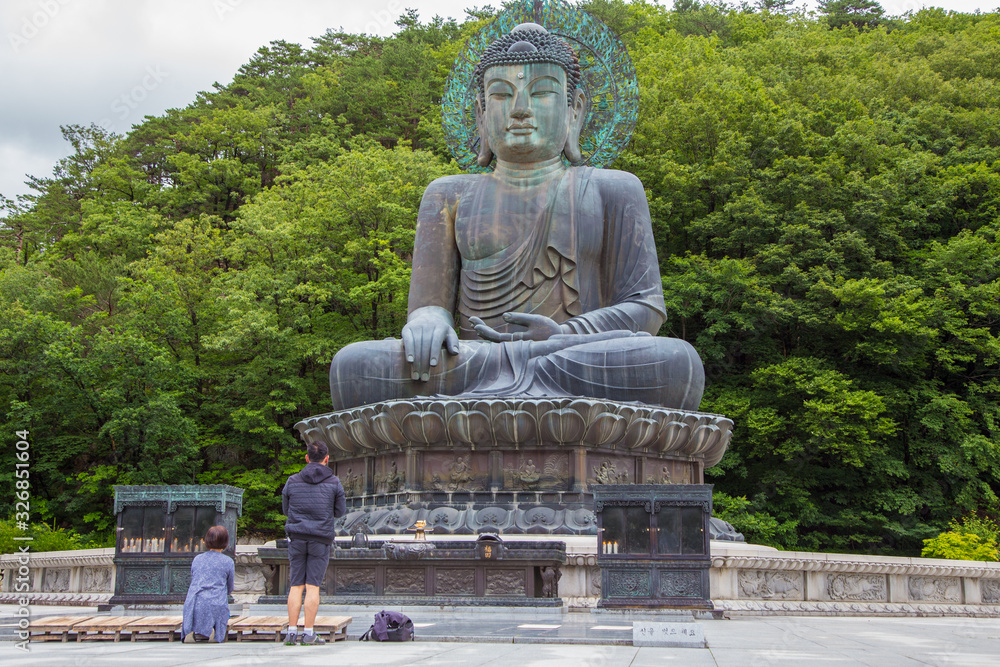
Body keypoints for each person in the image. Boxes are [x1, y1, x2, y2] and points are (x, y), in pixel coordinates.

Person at [329, 23, 705, 412]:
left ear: (575, 110)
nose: (520, 108)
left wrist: (562, 335)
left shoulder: (614, 188)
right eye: (501, 94)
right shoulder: (447, 193)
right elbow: (429, 305)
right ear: (481, 113)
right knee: (354, 366)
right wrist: (428, 320)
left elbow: (646, 309)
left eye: (541, 92)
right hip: (474, 358)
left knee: (675, 363)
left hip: (572, 354)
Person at [281, 441, 347, 645]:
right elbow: (340, 511)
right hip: (320, 537)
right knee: (313, 587)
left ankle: (291, 632)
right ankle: (308, 632)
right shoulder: (334, 482)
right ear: (327, 459)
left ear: (307, 458)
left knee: (296, 585)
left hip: (297, 536)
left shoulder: (292, 481)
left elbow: (286, 509)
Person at [181, 525, 234, 643]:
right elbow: (230, 587)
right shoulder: (228, 561)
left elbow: (194, 578)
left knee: (198, 602)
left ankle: (190, 631)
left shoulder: (197, 559)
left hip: (193, 601)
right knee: (220, 603)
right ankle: (214, 631)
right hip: (215, 602)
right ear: (225, 542)